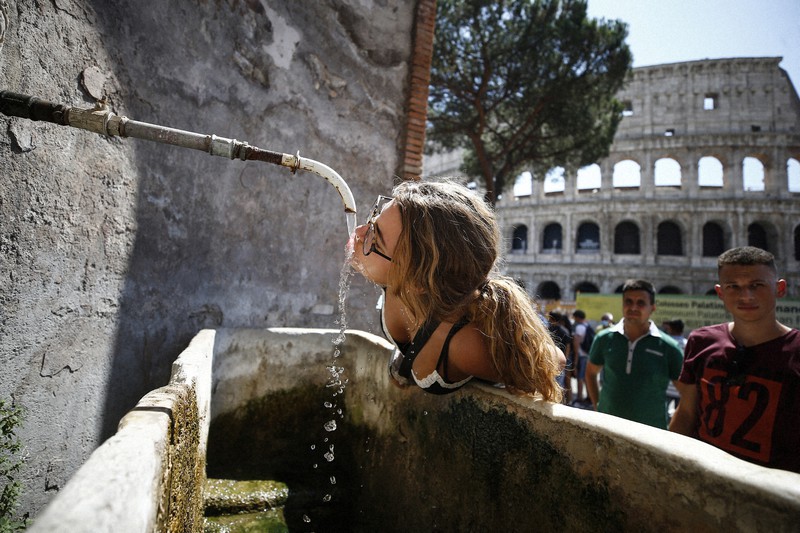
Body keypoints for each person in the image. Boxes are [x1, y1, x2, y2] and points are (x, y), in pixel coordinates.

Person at [349, 180, 565, 401]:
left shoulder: (464, 345)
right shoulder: (396, 278)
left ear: (417, 281)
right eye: (374, 219)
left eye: (375, 239)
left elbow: (552, 360)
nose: (359, 231)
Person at [669, 247, 800, 473]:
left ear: (779, 288)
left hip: (777, 492)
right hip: (705, 477)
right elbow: (687, 412)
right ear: (720, 293)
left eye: (756, 285)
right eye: (734, 287)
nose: (745, 296)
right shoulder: (701, 341)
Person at [584, 279, 684, 429]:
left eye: (641, 303)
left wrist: (674, 427)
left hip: (651, 434)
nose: (633, 307)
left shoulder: (669, 347)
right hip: (608, 429)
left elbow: (688, 394)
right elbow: (590, 373)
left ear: (653, 308)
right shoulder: (604, 339)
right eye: (628, 302)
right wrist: (598, 407)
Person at [547, 311, 574, 403]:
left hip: (549, 360)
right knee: (560, 384)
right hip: (561, 361)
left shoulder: (548, 329)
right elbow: (568, 346)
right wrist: (565, 360)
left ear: (552, 319)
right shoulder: (565, 330)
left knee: (550, 382)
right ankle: (559, 402)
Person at [571, 310, 593, 405]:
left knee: (580, 377)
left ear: (577, 317)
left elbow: (576, 345)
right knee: (586, 378)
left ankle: (580, 398)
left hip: (582, 356)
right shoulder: (587, 326)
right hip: (588, 355)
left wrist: (575, 362)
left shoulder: (579, 327)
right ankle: (589, 397)